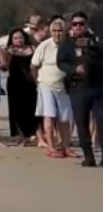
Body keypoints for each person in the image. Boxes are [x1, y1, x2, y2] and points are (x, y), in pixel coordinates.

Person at [59, 11, 103, 168]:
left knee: (102, 121)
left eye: (81, 24)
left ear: (86, 25)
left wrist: (92, 48)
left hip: (97, 87)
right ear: (71, 26)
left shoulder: (96, 41)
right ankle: (88, 156)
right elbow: (61, 62)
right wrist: (73, 69)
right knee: (81, 123)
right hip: (78, 88)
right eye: (75, 24)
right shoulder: (67, 43)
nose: (78, 27)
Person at [33, 18, 73, 158]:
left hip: (64, 86)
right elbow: (34, 65)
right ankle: (50, 147)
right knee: (49, 116)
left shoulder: (69, 45)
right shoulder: (44, 45)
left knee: (65, 118)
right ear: (51, 32)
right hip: (46, 85)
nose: (57, 34)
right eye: (54, 31)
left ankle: (66, 147)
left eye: (60, 31)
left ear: (65, 31)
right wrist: (38, 82)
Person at [5, 27, 40, 146]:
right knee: (16, 109)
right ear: (11, 40)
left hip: (30, 83)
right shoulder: (9, 51)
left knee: (31, 108)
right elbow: (5, 67)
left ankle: (32, 134)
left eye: (20, 37)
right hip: (15, 83)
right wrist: (9, 54)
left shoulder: (32, 49)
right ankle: (19, 135)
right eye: (15, 38)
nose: (18, 40)